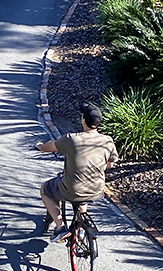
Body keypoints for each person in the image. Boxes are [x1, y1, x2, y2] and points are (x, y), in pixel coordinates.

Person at [36, 101, 119, 242]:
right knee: (84, 191)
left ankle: (60, 226)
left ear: (83, 120)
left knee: (45, 189)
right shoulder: (107, 141)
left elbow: (49, 147)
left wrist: (39, 146)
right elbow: (111, 163)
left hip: (72, 189)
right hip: (97, 189)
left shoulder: (72, 139)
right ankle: (81, 228)